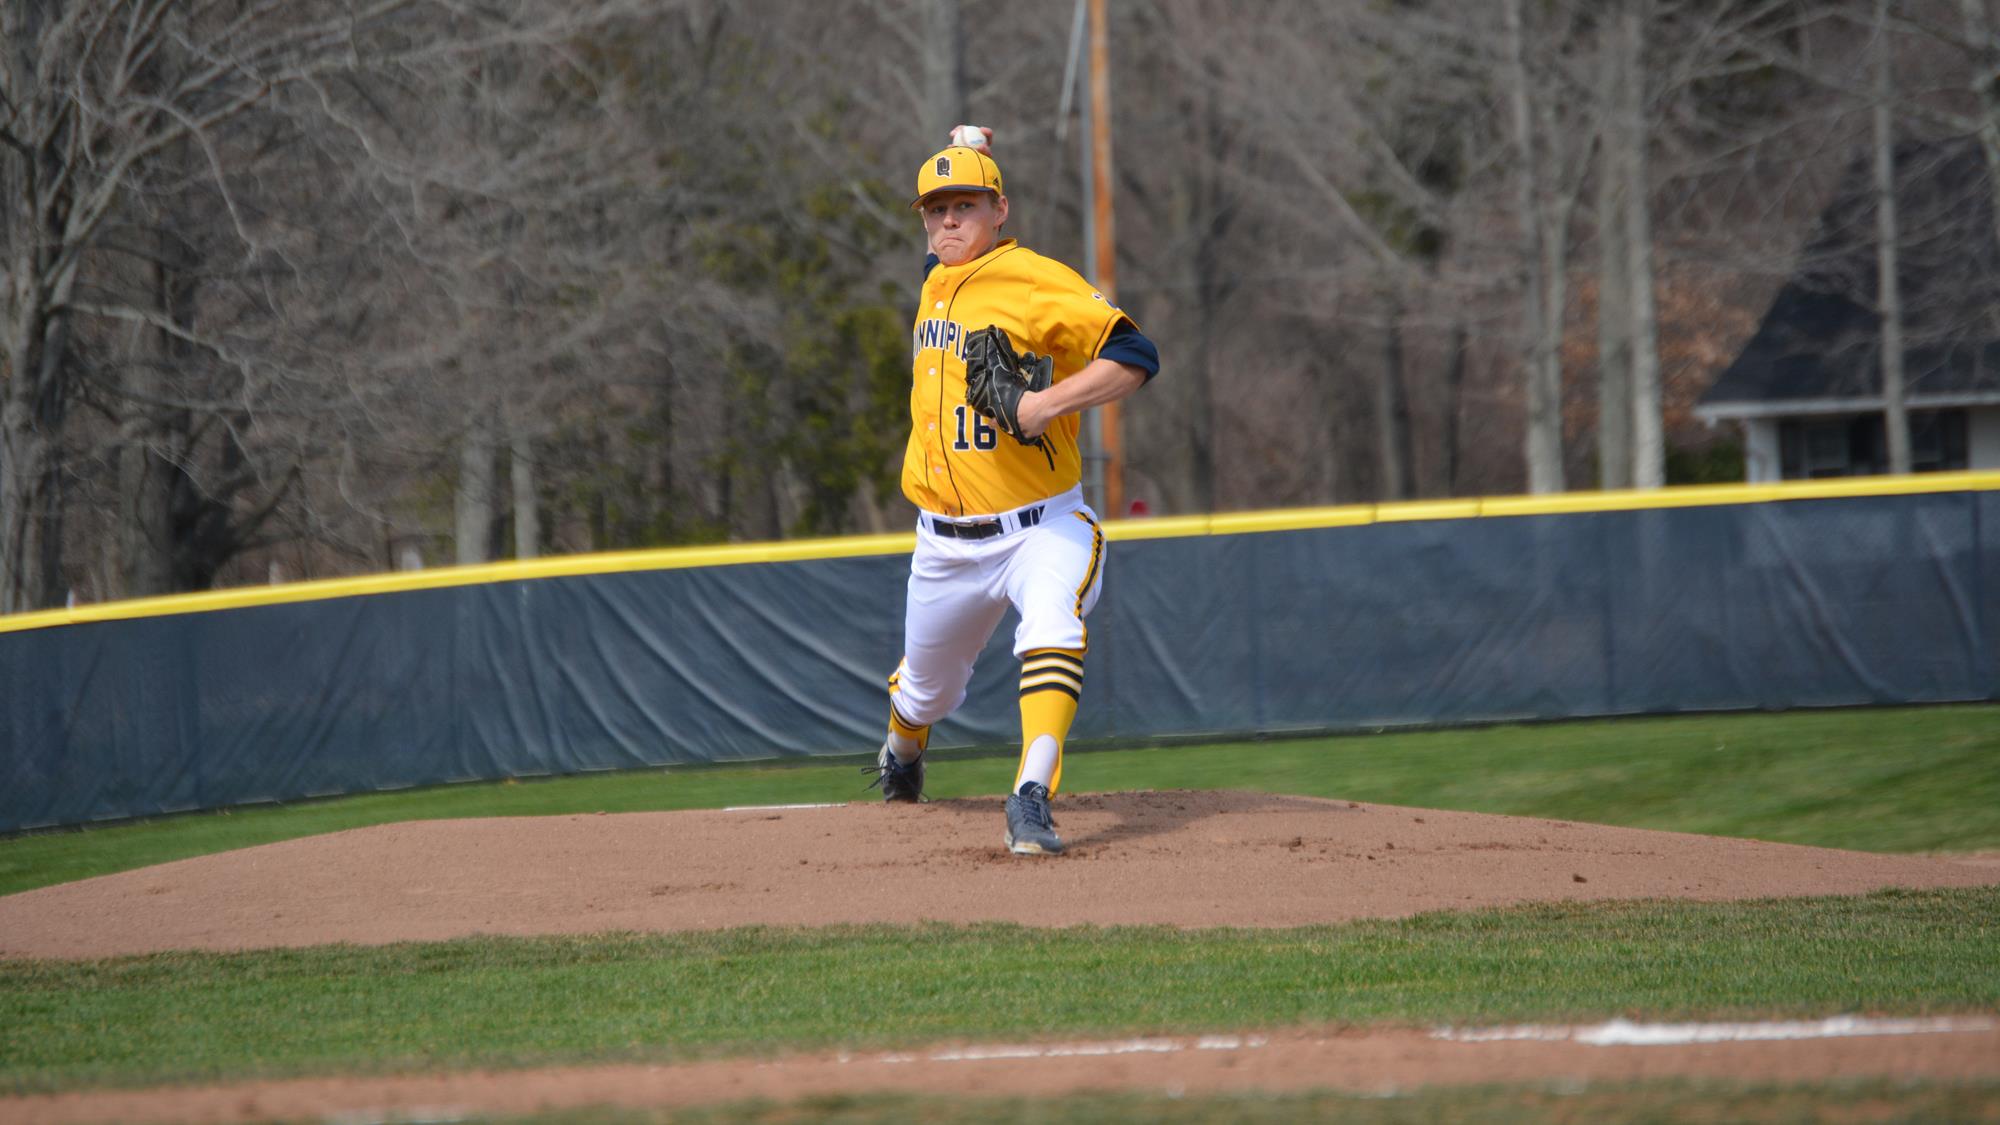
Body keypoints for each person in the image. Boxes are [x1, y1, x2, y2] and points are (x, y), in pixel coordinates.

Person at [866, 126, 1160, 856]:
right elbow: (953, 252)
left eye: (965, 205)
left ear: (1002, 210)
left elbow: (1135, 353)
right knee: (922, 696)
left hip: (1041, 528)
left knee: (1052, 626)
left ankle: (1031, 794)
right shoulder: (938, 280)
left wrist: (1043, 406)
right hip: (943, 540)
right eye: (935, 209)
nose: (947, 221)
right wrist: (964, 145)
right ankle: (902, 755)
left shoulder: (1032, 278)